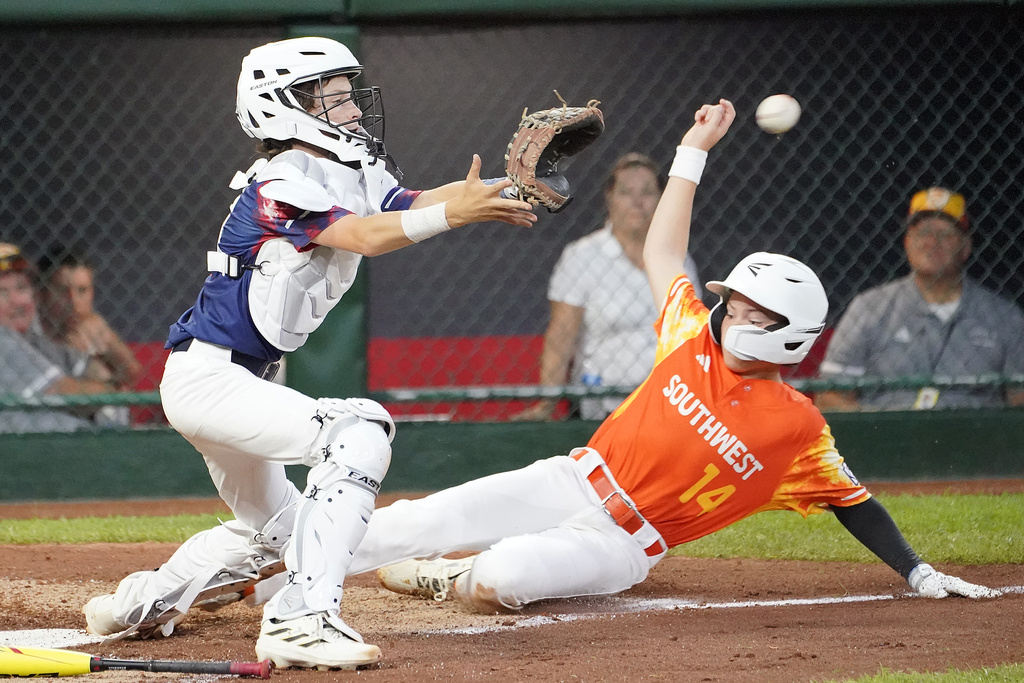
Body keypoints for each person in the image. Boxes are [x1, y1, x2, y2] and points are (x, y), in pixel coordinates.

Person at [328, 99, 998, 616]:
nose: (733, 314)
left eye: (751, 310)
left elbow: (857, 502)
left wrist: (919, 570)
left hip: (621, 544)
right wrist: (690, 151)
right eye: (733, 302)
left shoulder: (796, 428)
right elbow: (661, 252)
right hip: (572, 477)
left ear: (788, 333)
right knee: (418, 519)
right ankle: (268, 561)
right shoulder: (694, 336)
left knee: (504, 577)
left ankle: (451, 574)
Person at [81, 36, 536, 671]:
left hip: (242, 383)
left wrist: (502, 188)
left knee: (285, 537)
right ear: (282, 106)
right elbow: (367, 235)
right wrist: (460, 215)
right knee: (358, 429)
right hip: (209, 381)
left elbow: (405, 206)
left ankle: (139, 604)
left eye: (350, 97)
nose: (352, 110)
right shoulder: (278, 181)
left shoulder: (344, 171)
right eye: (335, 98)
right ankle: (300, 620)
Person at [512, 152, 701, 422]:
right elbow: (561, 338)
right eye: (626, 192)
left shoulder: (677, 258)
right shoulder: (582, 256)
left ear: (661, 199)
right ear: (609, 198)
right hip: (602, 408)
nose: (638, 202)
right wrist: (547, 404)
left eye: (647, 192)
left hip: (671, 405)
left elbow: (693, 337)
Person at [815, 187, 1024, 411]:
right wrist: (884, 425)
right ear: (907, 243)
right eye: (923, 232)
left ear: (965, 247)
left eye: (946, 233)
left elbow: (1019, 398)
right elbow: (828, 397)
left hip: (976, 440)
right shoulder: (869, 307)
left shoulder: (1004, 316)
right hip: (889, 440)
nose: (932, 241)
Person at [0, 243, 121, 433]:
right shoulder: (2, 341)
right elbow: (67, 394)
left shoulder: (33, 341)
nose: (17, 301)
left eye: (21, 288)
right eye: (2, 293)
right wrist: (110, 390)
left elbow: (107, 377)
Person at [37, 246, 143, 426]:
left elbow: (133, 373)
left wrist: (109, 341)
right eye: (63, 290)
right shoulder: (32, 334)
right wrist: (112, 389)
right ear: (42, 293)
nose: (73, 301)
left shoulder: (95, 328)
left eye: (82, 290)